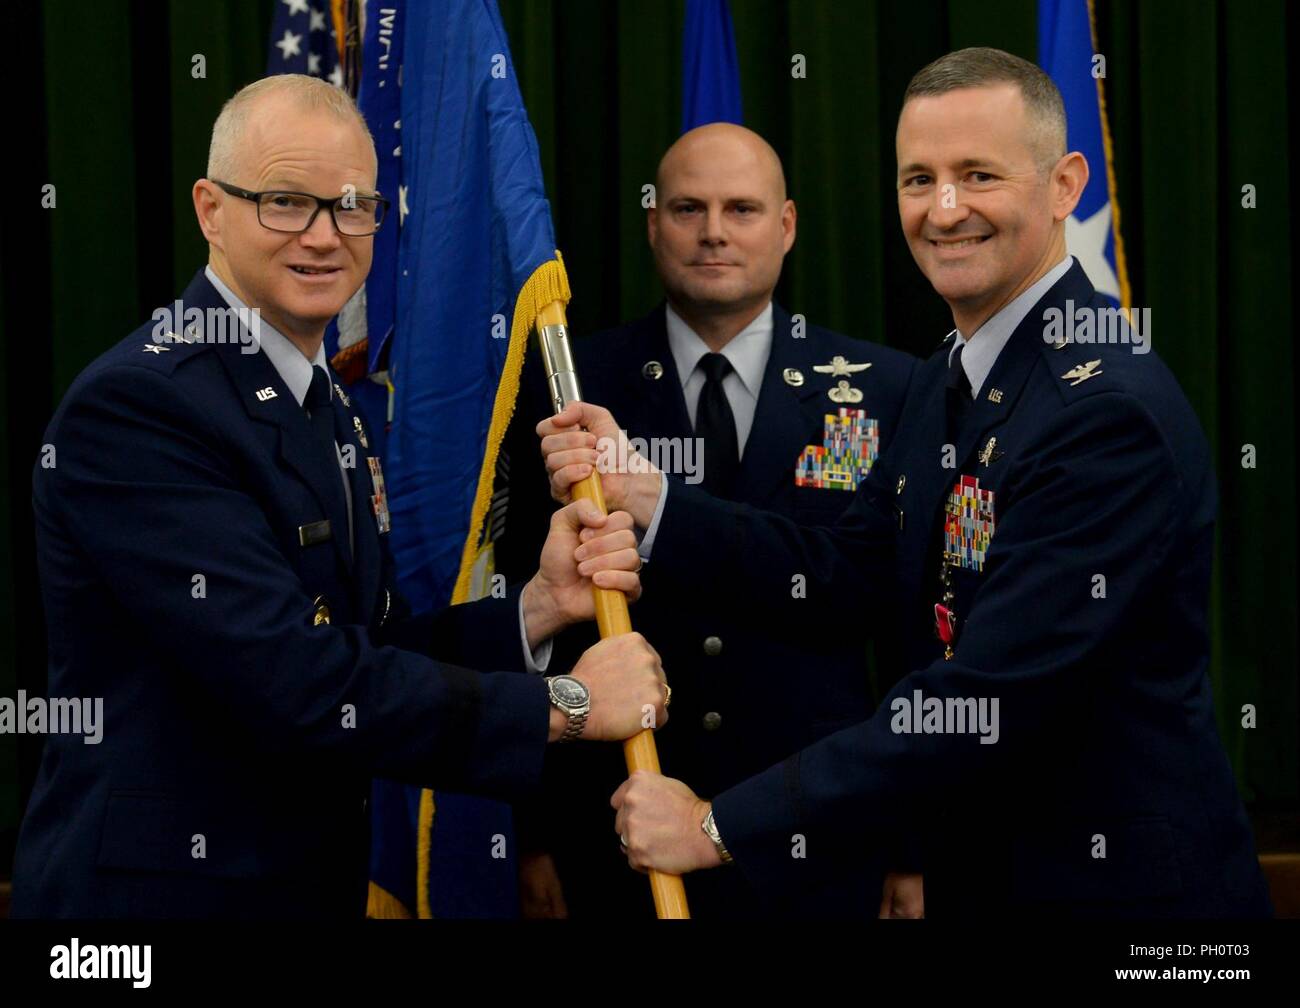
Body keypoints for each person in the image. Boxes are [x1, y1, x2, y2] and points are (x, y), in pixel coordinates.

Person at [540, 49, 1272, 917]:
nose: (945, 208)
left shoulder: (1103, 411)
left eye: (979, 175)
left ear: (1066, 185)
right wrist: (651, 500)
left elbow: (984, 699)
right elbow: (846, 574)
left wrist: (716, 826)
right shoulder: (946, 378)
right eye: (918, 178)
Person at [11, 74, 666, 919]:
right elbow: (297, 681)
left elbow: (367, 641)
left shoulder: (330, 407)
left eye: (353, 205)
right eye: (286, 201)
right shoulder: (142, 407)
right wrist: (568, 706)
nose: (325, 236)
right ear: (210, 210)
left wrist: (535, 611)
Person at [498, 123, 919, 918]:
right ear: (653, 223)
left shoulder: (888, 389)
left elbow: (904, 634)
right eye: (689, 208)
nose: (715, 232)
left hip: (820, 837)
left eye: (742, 209)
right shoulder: (570, 384)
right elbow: (529, 615)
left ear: (787, 225)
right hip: (615, 835)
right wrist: (532, 834)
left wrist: (909, 847)